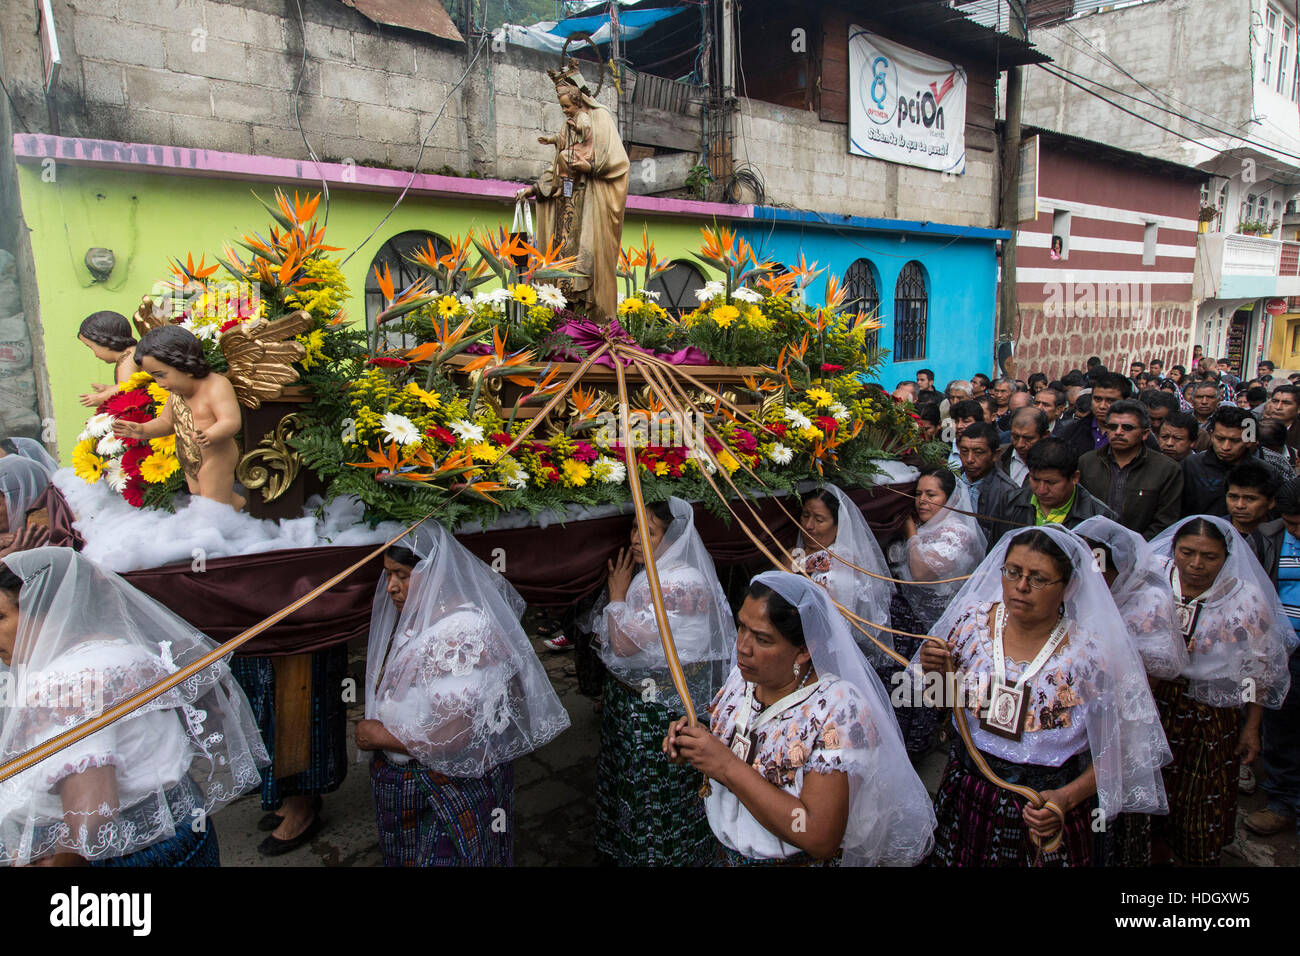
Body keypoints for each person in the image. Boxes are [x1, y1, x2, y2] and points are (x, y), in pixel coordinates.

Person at [917, 527, 1169, 866]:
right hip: (967, 787)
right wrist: (936, 672)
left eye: (1039, 579)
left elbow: (1119, 748)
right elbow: (942, 704)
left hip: (1041, 805)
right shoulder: (971, 624)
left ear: (1068, 587)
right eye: (1013, 572)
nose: (1021, 587)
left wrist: (1065, 799)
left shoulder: (1089, 656)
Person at [0, 548, 267, 865]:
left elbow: (92, 819)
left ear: (50, 614)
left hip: (129, 857)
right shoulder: (124, 652)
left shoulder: (63, 687)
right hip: (186, 833)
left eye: (1, 617)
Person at [664, 572, 936, 866]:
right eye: (742, 627)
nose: (742, 646)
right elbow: (746, 741)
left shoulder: (838, 711)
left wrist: (727, 766)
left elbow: (818, 836)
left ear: (805, 649)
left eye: (762, 639)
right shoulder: (743, 678)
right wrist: (696, 744)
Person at [358, 525, 569, 866]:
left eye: (403, 575)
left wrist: (376, 735)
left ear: (435, 573)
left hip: (445, 789)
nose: (392, 587)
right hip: (422, 784)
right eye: (388, 575)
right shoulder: (425, 617)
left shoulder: (461, 633)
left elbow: (454, 735)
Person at [592, 498, 733, 865]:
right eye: (635, 528)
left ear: (672, 538)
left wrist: (617, 596)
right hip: (646, 703)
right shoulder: (660, 571)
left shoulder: (675, 581)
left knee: (655, 797)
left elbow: (622, 644)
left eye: (648, 532)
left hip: (658, 712)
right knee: (645, 793)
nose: (636, 539)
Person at [1148, 517, 1297, 865]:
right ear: (1173, 550)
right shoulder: (1154, 580)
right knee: (1151, 791)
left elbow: (1258, 667)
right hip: (1154, 702)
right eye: (1187, 552)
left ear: (1226, 557)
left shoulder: (1244, 599)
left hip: (1211, 711)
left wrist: (1251, 726)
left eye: (1209, 556)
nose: (1196, 564)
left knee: (1200, 795)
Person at [515, 60, 629, 322]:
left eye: (567, 105)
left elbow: (619, 162)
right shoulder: (568, 124)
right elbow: (558, 163)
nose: (565, 111)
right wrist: (534, 189)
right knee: (562, 261)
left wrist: (588, 166)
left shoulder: (598, 119)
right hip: (566, 202)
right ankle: (565, 319)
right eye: (562, 107)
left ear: (579, 97)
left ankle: (591, 320)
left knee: (588, 261)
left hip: (590, 203)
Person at [889, 468, 986, 755]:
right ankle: (895, 744)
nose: (922, 501)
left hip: (934, 626)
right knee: (897, 684)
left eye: (931, 495)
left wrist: (910, 533)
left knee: (923, 689)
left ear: (951, 499)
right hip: (904, 621)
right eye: (918, 494)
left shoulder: (959, 532)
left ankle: (918, 747)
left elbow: (922, 572)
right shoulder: (922, 525)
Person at [111, 326, 246, 510]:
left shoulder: (216, 386)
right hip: (189, 457)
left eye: (161, 375)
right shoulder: (177, 393)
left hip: (216, 456)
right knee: (200, 493)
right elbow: (166, 423)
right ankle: (237, 506)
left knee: (212, 503)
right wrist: (142, 430)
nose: (159, 384)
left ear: (186, 366)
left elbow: (230, 421)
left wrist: (211, 434)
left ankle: (216, 531)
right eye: (154, 377)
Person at [1242, 477, 1300, 839]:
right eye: (1293, 522)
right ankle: (1283, 802)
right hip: (1285, 651)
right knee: (1282, 727)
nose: (1298, 529)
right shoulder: (1267, 538)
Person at [796, 486, 894, 668]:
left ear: (839, 525)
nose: (808, 526)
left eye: (819, 519)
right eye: (805, 515)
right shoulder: (802, 554)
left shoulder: (841, 570)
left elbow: (830, 632)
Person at [1077, 399, 1182, 540]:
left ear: (1145, 434)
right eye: (1113, 427)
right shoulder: (1087, 462)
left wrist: (1134, 548)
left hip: (1143, 550)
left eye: (1127, 427)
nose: (1118, 432)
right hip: (1092, 547)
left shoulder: (1167, 469)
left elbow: (1165, 521)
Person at [993, 438, 1115, 549]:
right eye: (1035, 479)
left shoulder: (1099, 518)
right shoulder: (1010, 502)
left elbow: (1100, 570)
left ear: (1075, 477)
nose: (1041, 490)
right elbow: (994, 555)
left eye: (1051, 482)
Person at [1181, 406, 1274, 518]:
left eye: (1235, 441)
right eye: (1220, 439)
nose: (1226, 447)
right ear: (1211, 435)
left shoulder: (1265, 472)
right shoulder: (1191, 465)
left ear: (1249, 441)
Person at [957, 422, 1020, 546]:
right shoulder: (949, 480)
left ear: (995, 454)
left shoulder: (1007, 492)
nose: (970, 459)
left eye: (978, 452)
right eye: (964, 451)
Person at [77, 310, 141, 409]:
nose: (95, 354)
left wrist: (99, 398)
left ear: (103, 341)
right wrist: (108, 389)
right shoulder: (126, 355)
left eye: (91, 347)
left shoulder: (128, 357)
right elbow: (134, 385)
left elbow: (127, 388)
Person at [1060, 371, 1130, 457]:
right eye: (1097, 399)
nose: (1102, 406)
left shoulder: (1136, 435)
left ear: (1126, 401)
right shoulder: (1072, 431)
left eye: (1110, 401)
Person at [1225, 461, 1281, 562]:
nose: (1239, 505)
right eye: (1233, 497)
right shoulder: (1215, 531)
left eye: (1250, 499)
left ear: (1271, 502)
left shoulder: (1281, 536)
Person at [998, 407, 1048, 485]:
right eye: (1015, 437)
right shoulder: (997, 456)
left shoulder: (1055, 463)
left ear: (1045, 435)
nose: (1020, 444)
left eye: (1028, 439)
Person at [946, 397, 984, 470]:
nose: (959, 426)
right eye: (956, 421)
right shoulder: (944, 447)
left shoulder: (985, 448)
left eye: (966, 421)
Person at [1264, 383, 1300, 453]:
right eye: (1275, 401)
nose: (1278, 407)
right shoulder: (1256, 427)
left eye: (1286, 403)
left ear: (1298, 409)